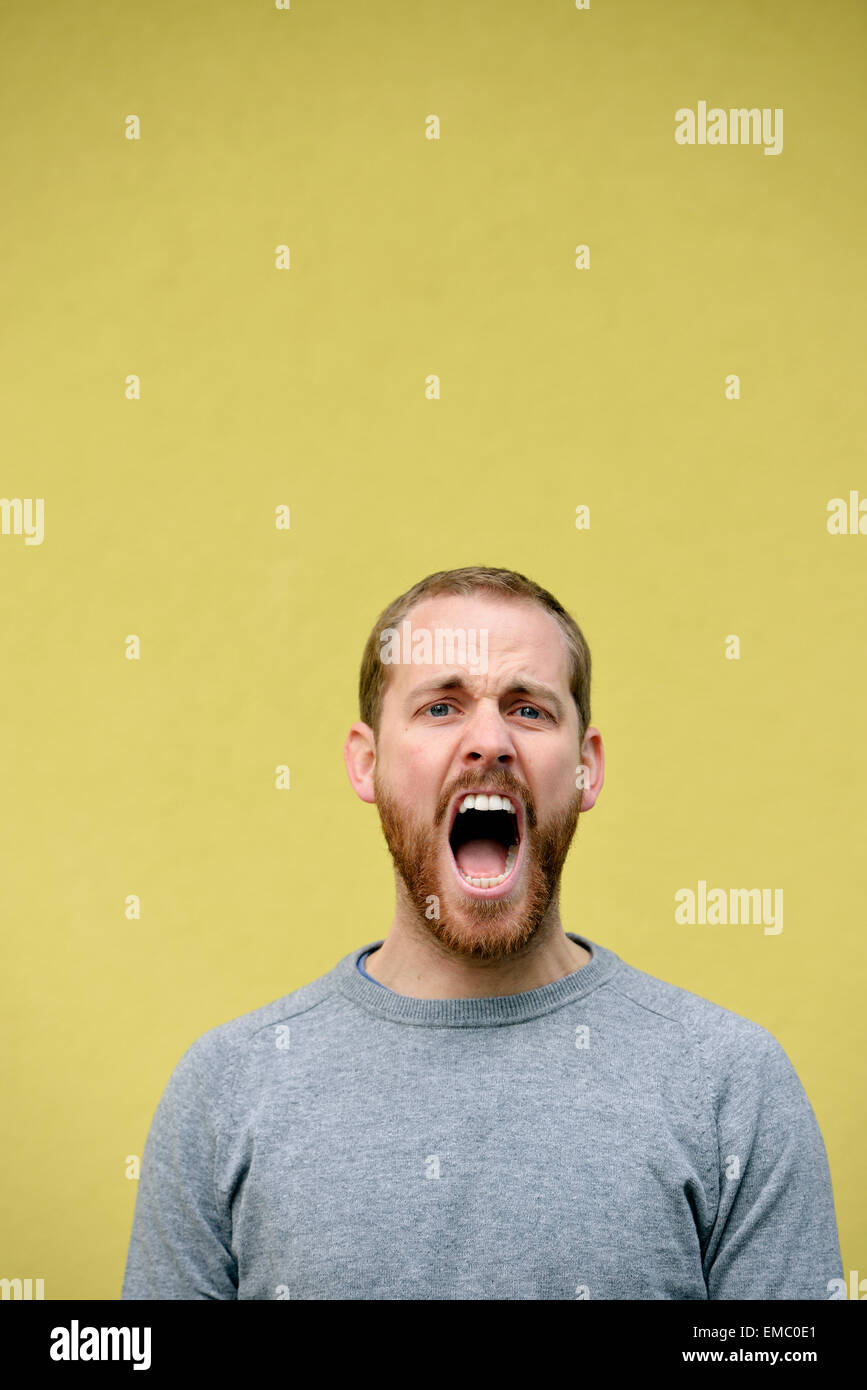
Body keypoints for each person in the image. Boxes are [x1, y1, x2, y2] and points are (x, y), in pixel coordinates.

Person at [121, 566, 842, 1300]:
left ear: (586, 769)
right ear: (366, 762)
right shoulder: (225, 1089)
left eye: (528, 711)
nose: (489, 741)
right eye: (440, 708)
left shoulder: (730, 1084)